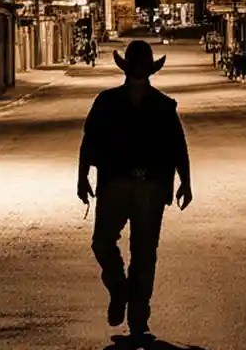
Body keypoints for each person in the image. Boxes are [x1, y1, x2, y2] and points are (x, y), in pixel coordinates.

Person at [78, 40, 192, 344]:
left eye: (144, 67)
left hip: (152, 187)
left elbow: (178, 146)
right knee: (102, 243)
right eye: (137, 67)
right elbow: (89, 140)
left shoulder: (164, 106)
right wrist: (81, 177)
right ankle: (118, 287)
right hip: (114, 184)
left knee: (144, 254)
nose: (140, 72)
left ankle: (138, 320)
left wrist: (186, 181)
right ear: (129, 69)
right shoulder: (106, 102)